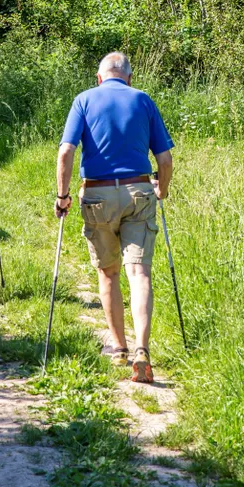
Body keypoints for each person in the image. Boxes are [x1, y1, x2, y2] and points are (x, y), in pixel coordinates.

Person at [54, 52, 173, 383]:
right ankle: (142, 351)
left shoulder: (84, 100)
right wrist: (160, 191)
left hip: (97, 194)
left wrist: (63, 196)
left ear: (99, 77)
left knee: (109, 274)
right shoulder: (143, 100)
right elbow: (164, 159)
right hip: (138, 192)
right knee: (139, 273)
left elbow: (66, 151)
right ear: (130, 78)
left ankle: (119, 348)